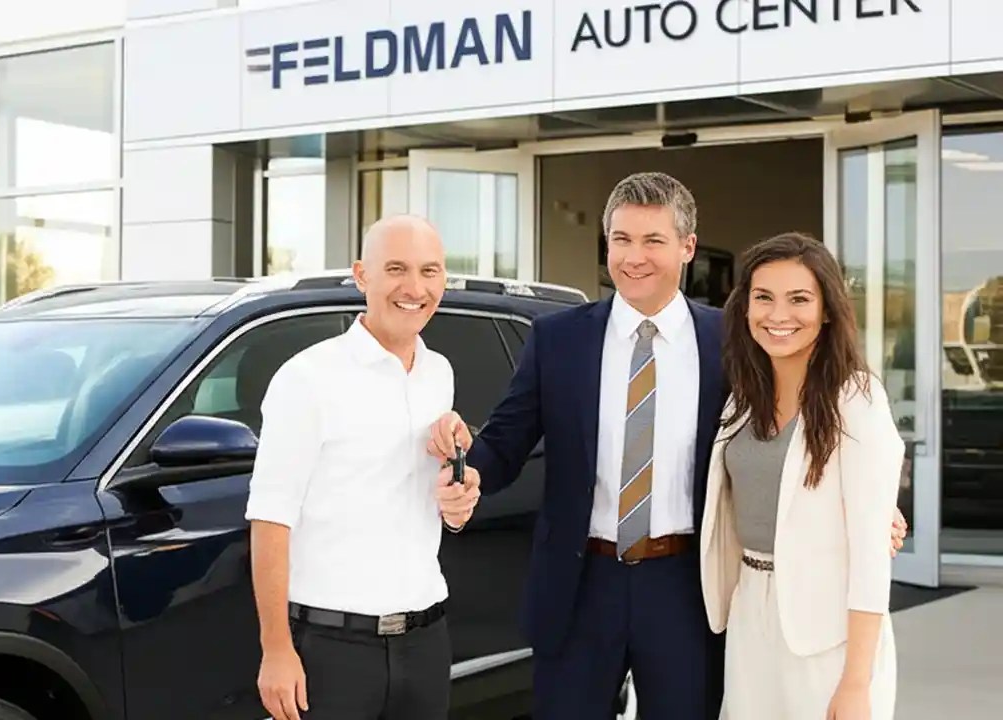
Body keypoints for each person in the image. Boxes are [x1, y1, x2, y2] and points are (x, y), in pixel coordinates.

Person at [427, 172, 905, 719]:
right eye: (622, 239)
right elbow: (504, 444)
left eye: (653, 240)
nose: (635, 257)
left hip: (686, 585)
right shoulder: (559, 339)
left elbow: (791, 440)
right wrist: (467, 470)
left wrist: (872, 510)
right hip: (581, 583)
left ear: (687, 247)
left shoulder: (733, 342)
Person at [245, 214, 482, 720]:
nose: (414, 288)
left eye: (430, 271)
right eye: (396, 268)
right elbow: (270, 519)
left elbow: (435, 505)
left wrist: (458, 496)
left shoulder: (439, 373)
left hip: (425, 642)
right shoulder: (307, 379)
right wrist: (277, 650)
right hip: (334, 649)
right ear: (362, 276)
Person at [700, 232, 900, 719]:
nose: (778, 315)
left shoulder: (856, 400)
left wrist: (857, 682)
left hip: (826, 632)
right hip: (751, 613)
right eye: (763, 298)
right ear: (745, 308)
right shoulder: (742, 400)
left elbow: (871, 557)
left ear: (827, 309)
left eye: (799, 299)